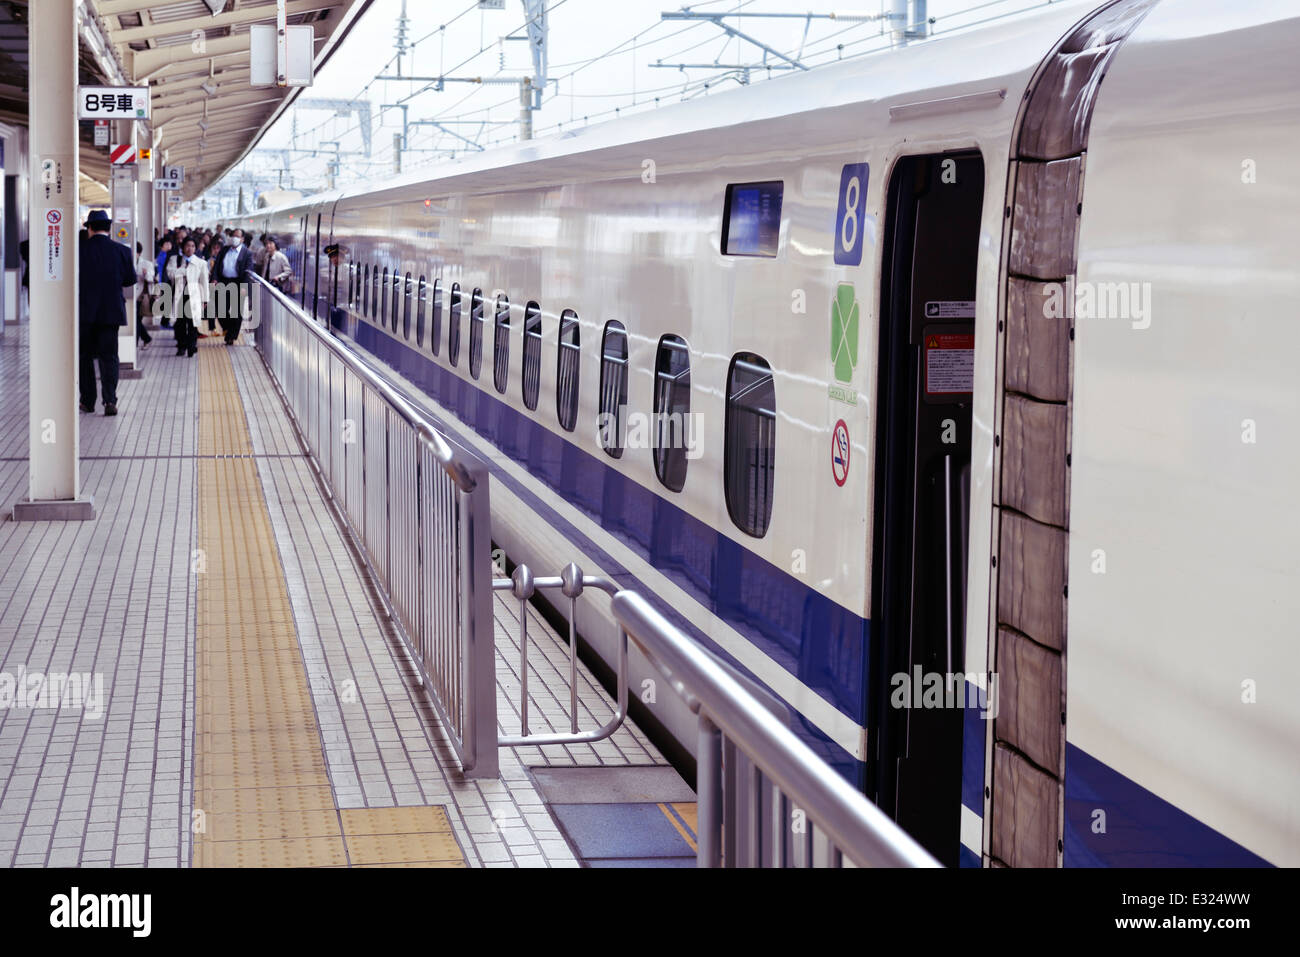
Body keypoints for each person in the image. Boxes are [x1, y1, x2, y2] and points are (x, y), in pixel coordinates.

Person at [78, 210, 136, 416]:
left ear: (90, 228)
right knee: (109, 356)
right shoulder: (121, 250)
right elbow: (130, 280)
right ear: (109, 228)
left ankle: (87, 401)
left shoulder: (79, 250)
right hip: (111, 312)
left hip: (85, 313)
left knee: (84, 357)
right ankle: (110, 400)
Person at [167, 236, 208, 358]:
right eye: (187, 246)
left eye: (192, 246)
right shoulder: (175, 259)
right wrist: (184, 271)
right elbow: (170, 274)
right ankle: (181, 346)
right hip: (179, 295)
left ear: (195, 248)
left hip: (194, 296)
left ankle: (191, 347)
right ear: (183, 247)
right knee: (179, 323)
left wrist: (205, 299)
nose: (189, 248)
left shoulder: (201, 263)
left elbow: (204, 281)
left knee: (193, 323)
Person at [213, 227, 252, 344]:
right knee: (220, 309)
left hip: (238, 283)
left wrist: (244, 287)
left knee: (236, 312)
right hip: (223, 282)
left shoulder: (247, 253)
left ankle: (231, 336)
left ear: (242, 239)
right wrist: (215, 278)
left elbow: (248, 271)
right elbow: (216, 266)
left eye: (238, 236)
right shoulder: (224, 250)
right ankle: (229, 328)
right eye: (233, 235)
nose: (234, 238)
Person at [133, 241, 153, 347]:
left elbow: (151, 279)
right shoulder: (127, 262)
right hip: (130, 295)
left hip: (141, 296)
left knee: (136, 320)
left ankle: (137, 342)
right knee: (136, 321)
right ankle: (146, 338)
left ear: (139, 253)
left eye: (135, 252)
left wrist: (145, 274)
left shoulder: (147, 264)